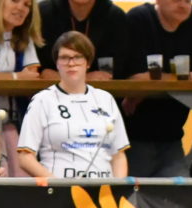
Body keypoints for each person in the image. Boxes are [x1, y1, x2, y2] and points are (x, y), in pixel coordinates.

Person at [112, 0, 192, 177]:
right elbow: (136, 79)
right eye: (176, 0)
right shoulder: (138, 19)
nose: (183, 5)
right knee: (132, 199)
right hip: (134, 136)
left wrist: (152, 84)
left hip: (172, 136)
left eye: (188, 0)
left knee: (178, 199)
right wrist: (187, 78)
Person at [15, 32, 130, 179]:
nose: (71, 63)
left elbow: (118, 156)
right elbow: (25, 157)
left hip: (103, 193)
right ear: (56, 63)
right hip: (59, 193)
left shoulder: (106, 99)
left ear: (88, 62)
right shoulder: (42, 100)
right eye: (64, 58)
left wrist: (117, 190)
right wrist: (58, 186)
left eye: (78, 57)